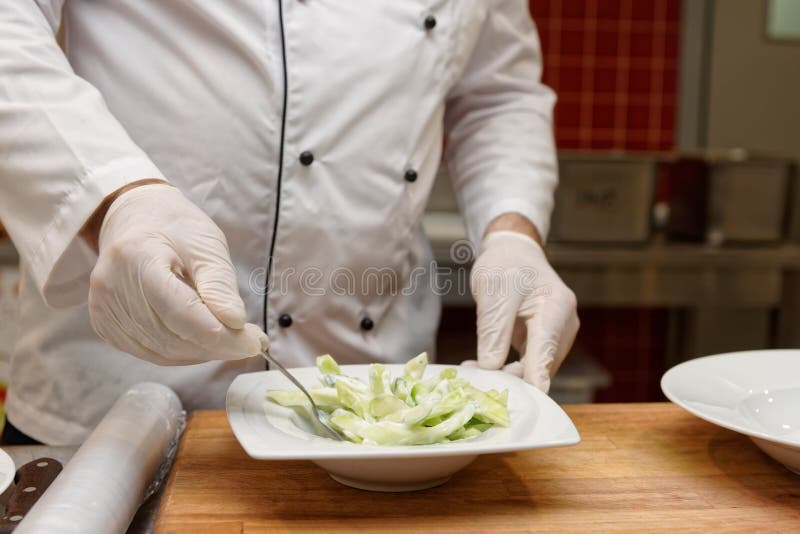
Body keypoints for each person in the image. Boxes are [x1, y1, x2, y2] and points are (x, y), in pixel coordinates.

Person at [0, 1, 579, 446]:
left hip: (378, 399)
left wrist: (513, 233)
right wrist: (115, 200)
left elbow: (497, 95)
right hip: (112, 404)